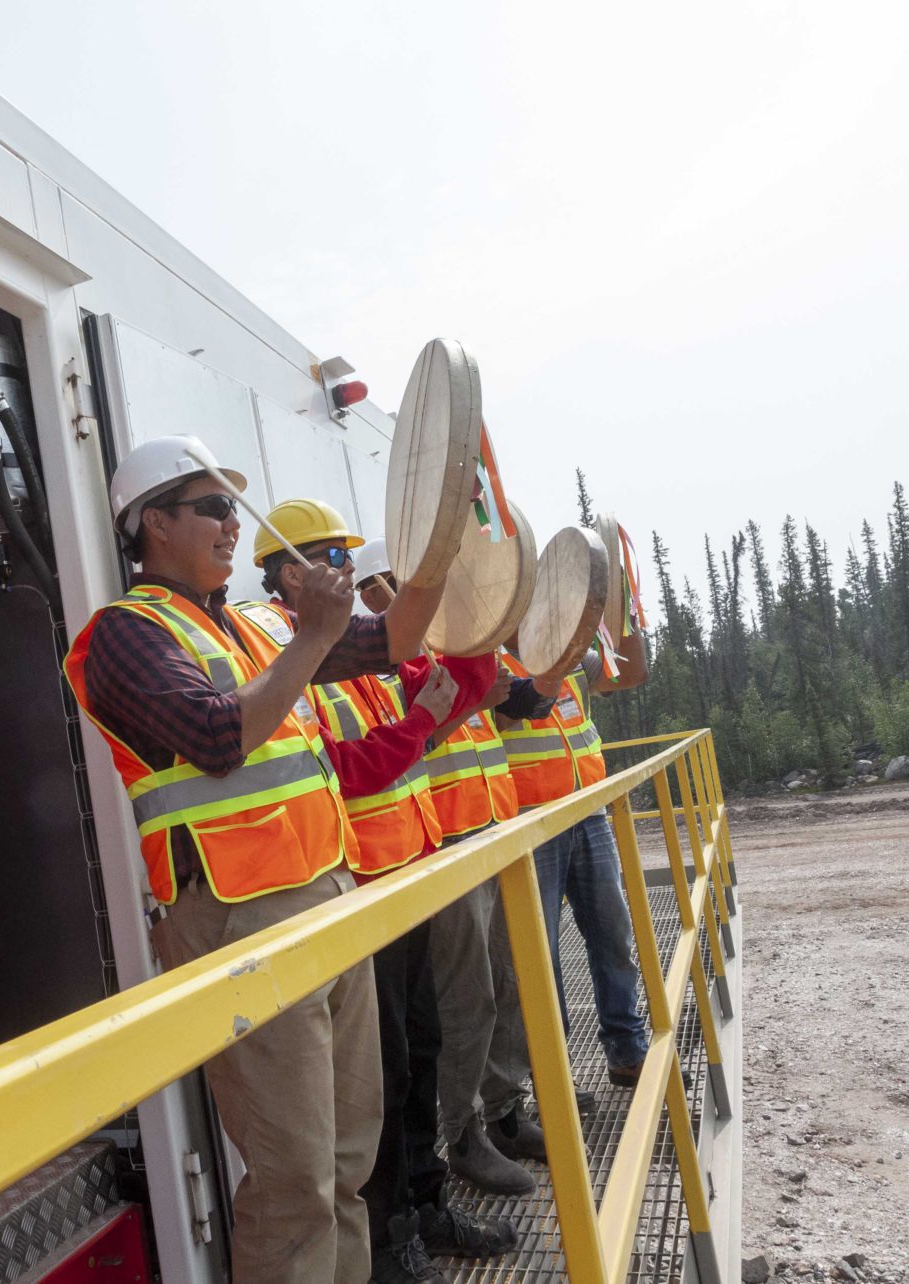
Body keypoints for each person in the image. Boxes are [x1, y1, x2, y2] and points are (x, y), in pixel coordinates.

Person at [63, 438, 446, 1284]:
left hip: (325, 897)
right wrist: (312, 637)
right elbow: (217, 738)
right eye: (214, 507)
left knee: (346, 1165)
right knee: (293, 1185)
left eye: (235, 508)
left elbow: (398, 638)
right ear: (153, 522)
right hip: (241, 920)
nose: (234, 525)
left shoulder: (243, 627)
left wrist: (440, 540)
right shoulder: (124, 634)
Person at [239, 509, 518, 1282]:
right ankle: (392, 1243)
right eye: (334, 559)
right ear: (290, 574)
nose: (356, 577)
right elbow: (344, 767)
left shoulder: (357, 648)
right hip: (361, 885)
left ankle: (424, 1204)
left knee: (421, 1051)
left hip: (410, 874)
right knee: (385, 1077)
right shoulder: (286, 654)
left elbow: (458, 693)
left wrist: (478, 624)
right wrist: (418, 728)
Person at [351, 547, 558, 1198]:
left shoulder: (431, 658)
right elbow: (414, 744)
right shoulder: (389, 668)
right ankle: (463, 1132)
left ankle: (501, 1113)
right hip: (443, 844)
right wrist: (462, 707)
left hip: (487, 830)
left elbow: (513, 708)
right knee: (466, 1000)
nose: (411, 599)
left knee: (507, 981)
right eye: (391, 586)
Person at [497, 625, 653, 1086]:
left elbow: (632, 674)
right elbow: (502, 721)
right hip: (529, 824)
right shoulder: (489, 666)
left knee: (613, 934)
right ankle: (555, 1077)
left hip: (588, 813)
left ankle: (627, 1051)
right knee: (540, 957)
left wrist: (623, 611)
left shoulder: (572, 659)